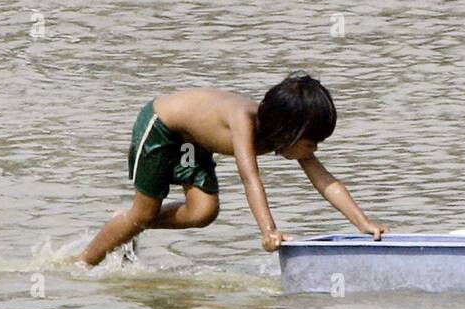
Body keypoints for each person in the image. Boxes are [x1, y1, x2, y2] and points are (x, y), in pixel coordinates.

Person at [78, 74, 386, 266]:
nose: (315, 150)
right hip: (162, 127)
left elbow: (326, 181)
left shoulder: (286, 137)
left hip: (194, 141)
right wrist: (269, 231)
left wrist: (363, 223)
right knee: (144, 212)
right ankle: (82, 264)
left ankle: (124, 224)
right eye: (312, 142)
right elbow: (249, 178)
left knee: (203, 212)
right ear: (289, 133)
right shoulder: (244, 121)